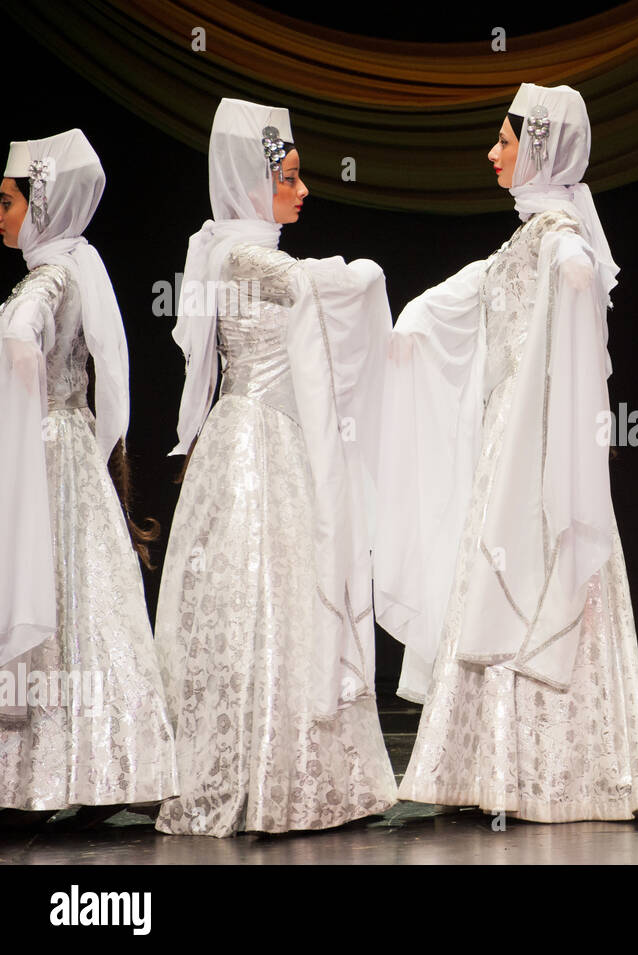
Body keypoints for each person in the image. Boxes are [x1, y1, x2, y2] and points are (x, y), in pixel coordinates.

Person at [374, 83, 638, 822]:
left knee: (536, 573)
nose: (492, 152)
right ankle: (491, 762)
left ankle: (556, 767)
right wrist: (410, 322)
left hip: (537, 449)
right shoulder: (526, 238)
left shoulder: (559, 238)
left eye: (504, 139)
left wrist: (572, 269)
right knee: (497, 579)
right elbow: (477, 288)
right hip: (507, 442)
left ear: (538, 148)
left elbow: (573, 281)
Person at [155, 98, 397, 836]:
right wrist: (369, 273)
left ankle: (291, 764)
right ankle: (251, 770)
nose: (303, 190)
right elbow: (312, 286)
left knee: (282, 593)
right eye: (289, 177)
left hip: (269, 436)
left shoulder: (236, 250)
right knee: (253, 594)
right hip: (254, 443)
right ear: (253, 182)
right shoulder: (237, 254)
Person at [0, 129, 176, 818]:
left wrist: (16, 375)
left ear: (40, 202)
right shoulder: (68, 267)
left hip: (45, 447)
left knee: (56, 592)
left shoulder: (48, 277)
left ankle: (42, 771)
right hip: (70, 445)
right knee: (87, 597)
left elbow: (21, 337)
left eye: (9, 200)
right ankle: (101, 766)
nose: (1, 213)